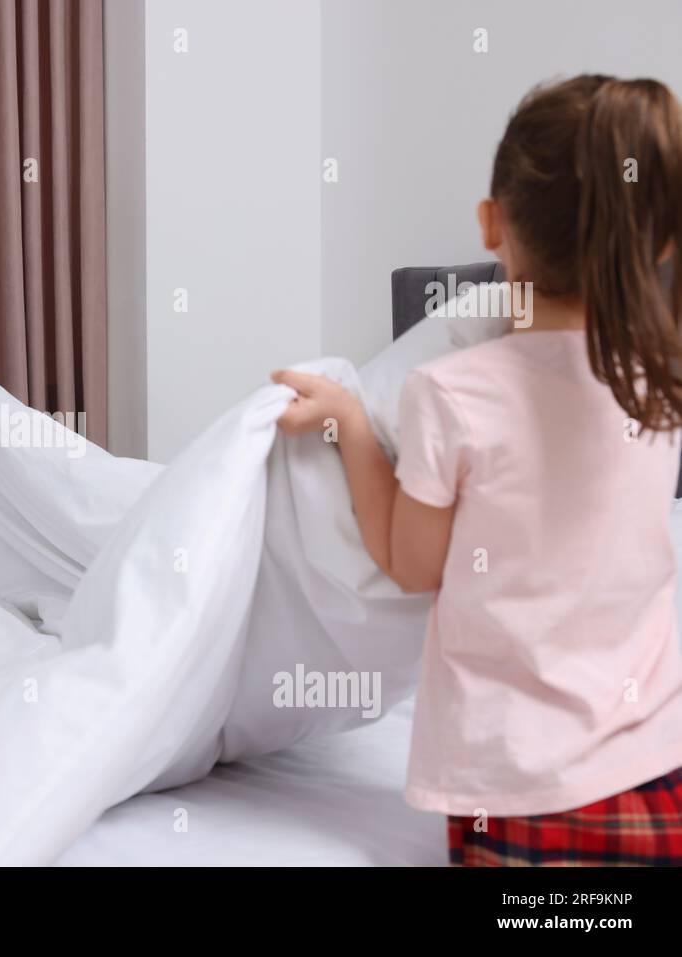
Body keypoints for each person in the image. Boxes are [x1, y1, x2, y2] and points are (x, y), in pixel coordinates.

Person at [273, 74, 682, 865]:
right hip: (658, 782)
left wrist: (352, 421)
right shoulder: (657, 388)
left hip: (517, 799)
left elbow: (411, 563)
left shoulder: (451, 393)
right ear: (657, 241)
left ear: (492, 224)